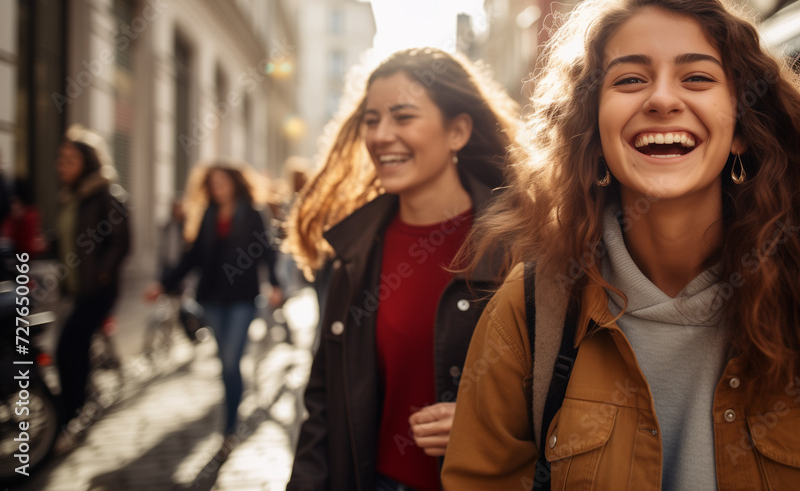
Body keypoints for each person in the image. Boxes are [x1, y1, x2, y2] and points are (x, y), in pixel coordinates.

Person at [441, 0, 800, 490]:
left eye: (697, 78)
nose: (663, 99)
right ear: (592, 131)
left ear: (741, 128)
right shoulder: (530, 310)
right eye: (630, 79)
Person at [284, 47, 520, 491]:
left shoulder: (520, 243)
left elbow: (565, 389)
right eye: (371, 120)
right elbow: (324, 399)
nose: (380, 136)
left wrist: (486, 423)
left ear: (457, 131)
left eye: (403, 117)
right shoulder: (355, 250)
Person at [144, 163, 283, 443]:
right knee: (224, 361)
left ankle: (231, 426)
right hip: (211, 298)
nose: (217, 188)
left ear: (235, 183)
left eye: (222, 182)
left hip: (243, 298)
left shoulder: (253, 213)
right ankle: (230, 416)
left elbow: (266, 251)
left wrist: (275, 284)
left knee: (232, 360)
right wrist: (164, 284)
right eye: (212, 183)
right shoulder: (207, 214)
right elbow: (192, 258)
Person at [54, 125, 131, 430]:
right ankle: (78, 405)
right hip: (76, 287)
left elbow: (121, 241)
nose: (62, 165)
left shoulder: (107, 195)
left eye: (70, 159)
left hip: (98, 290)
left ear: (87, 161)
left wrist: (103, 272)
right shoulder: (71, 197)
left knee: (67, 347)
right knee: (77, 346)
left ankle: (71, 412)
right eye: (61, 159)